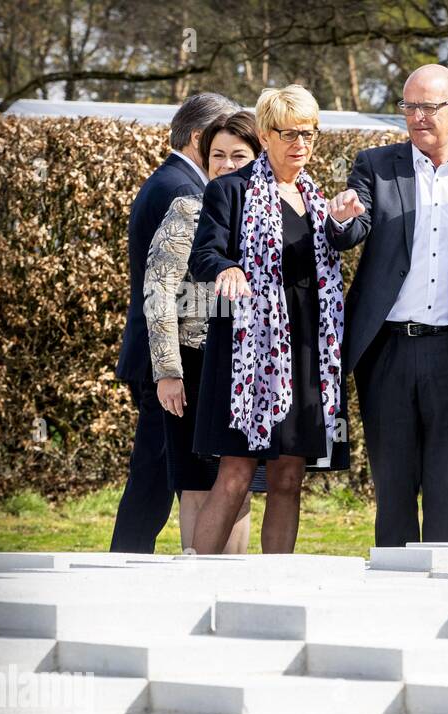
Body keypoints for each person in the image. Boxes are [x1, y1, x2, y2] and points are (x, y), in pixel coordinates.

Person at [326, 64, 448, 547]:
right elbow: (349, 232)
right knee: (392, 485)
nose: (417, 117)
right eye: (408, 107)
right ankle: (392, 591)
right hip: (385, 350)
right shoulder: (375, 165)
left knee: (447, 486)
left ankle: (444, 589)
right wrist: (342, 217)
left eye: (428, 107)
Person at [187, 85, 349, 555]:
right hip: (247, 356)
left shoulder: (317, 198)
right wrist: (228, 268)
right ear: (264, 134)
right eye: (289, 133)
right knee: (235, 476)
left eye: (310, 133)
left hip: (305, 355)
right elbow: (204, 254)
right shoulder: (229, 190)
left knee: (288, 477)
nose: (301, 143)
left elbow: (343, 243)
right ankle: (197, 581)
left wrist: (346, 222)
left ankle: (273, 590)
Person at [111, 92, 238, 552]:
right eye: (222, 140)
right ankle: (126, 563)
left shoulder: (168, 180)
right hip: (170, 359)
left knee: (161, 474)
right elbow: (174, 288)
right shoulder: (186, 191)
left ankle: (134, 560)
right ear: (200, 137)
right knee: (157, 476)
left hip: (160, 354)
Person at [144, 110, 265, 554]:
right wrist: (168, 371)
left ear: (259, 156)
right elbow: (158, 293)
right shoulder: (187, 208)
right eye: (218, 155)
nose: (228, 165)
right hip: (195, 366)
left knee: (241, 484)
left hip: (252, 368)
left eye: (239, 155)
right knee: (198, 485)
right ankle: (193, 592)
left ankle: (232, 593)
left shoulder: (269, 212)